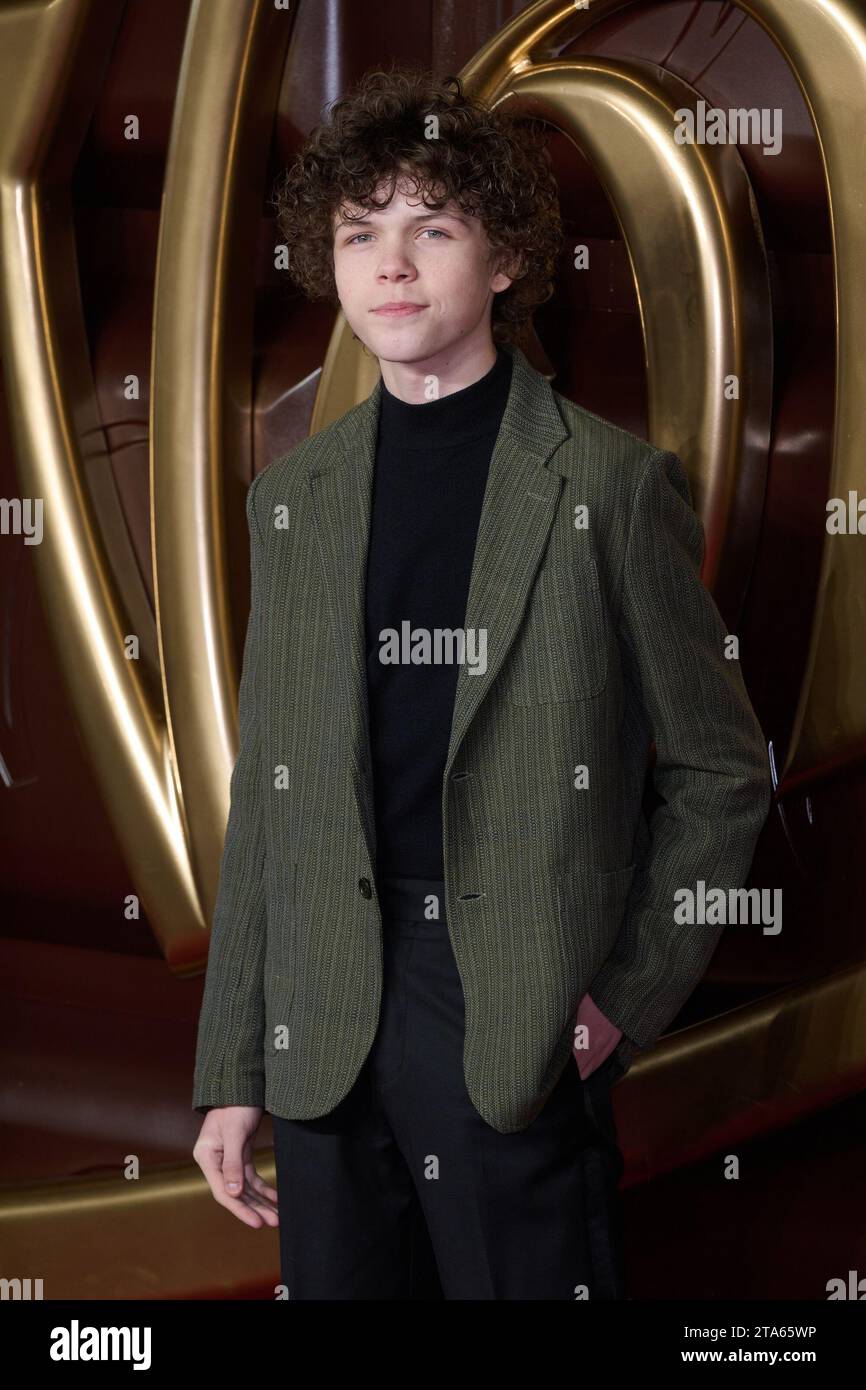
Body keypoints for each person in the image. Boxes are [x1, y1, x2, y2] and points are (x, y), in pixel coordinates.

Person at [192, 64, 772, 1299]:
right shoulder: (291, 502)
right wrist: (232, 1065)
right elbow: (273, 804)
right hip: (321, 1016)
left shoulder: (609, 488)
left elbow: (723, 772)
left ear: (502, 257)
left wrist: (618, 998)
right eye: (359, 234)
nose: (389, 265)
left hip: (508, 1014)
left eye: (430, 228)